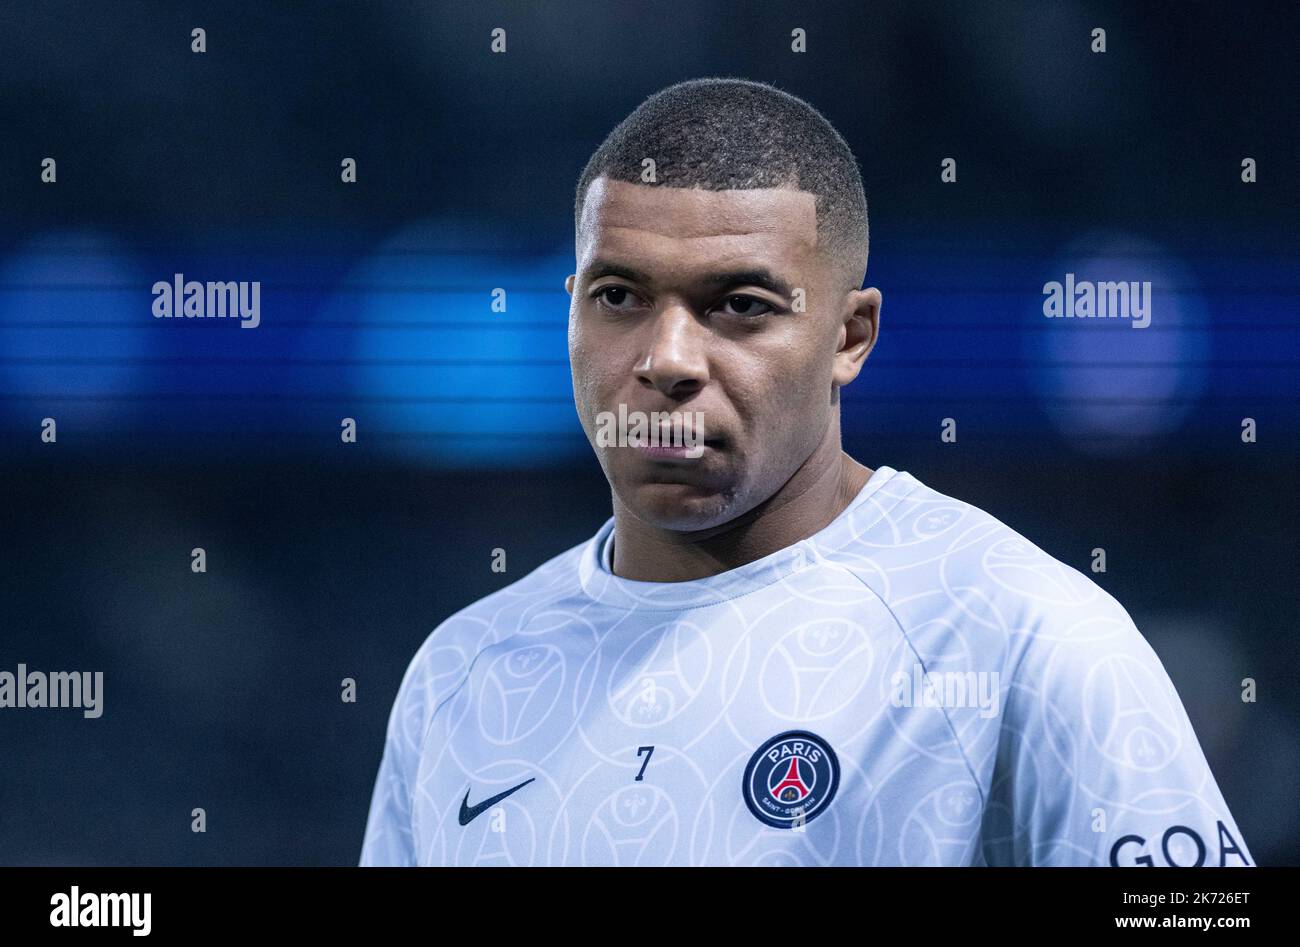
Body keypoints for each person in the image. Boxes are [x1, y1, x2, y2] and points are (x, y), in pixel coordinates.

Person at [360, 77, 1251, 866]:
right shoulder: (464, 673)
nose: (667, 358)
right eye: (620, 296)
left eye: (738, 306)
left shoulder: (1020, 638)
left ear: (849, 338)